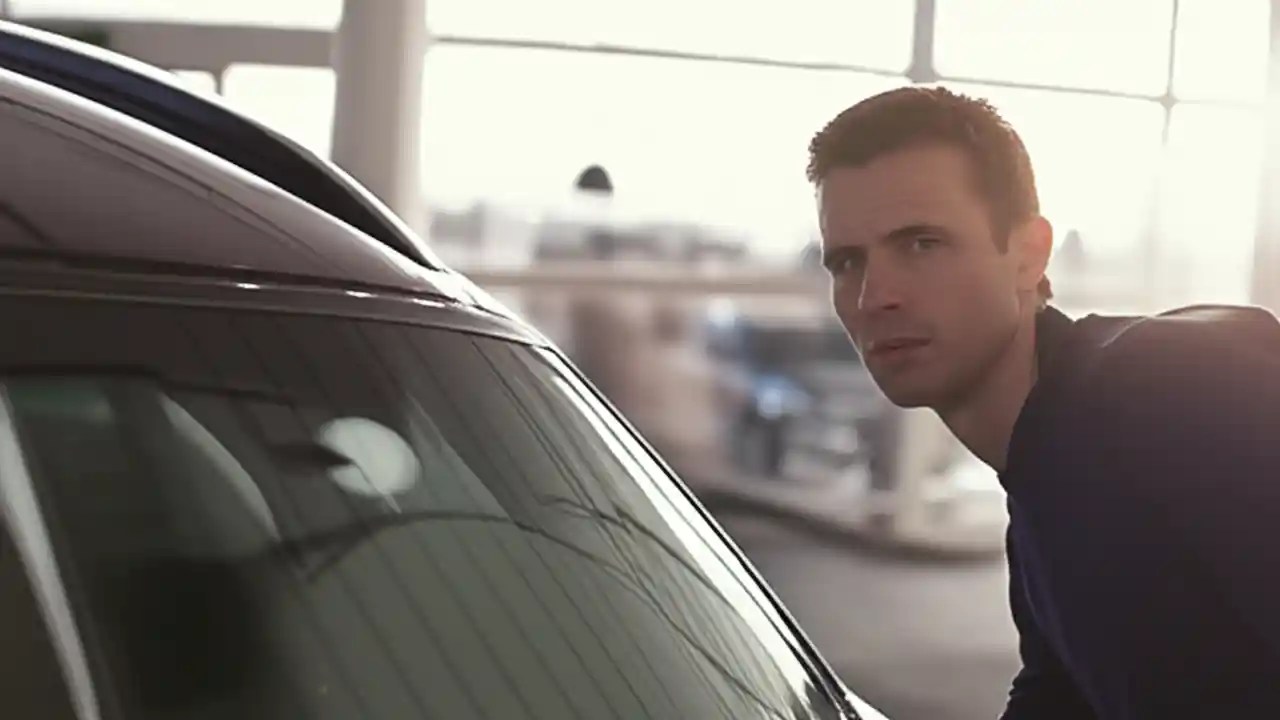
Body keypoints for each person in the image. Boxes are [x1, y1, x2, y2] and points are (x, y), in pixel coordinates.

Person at [806, 85, 1280, 719]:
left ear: (1029, 254)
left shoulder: (1154, 387)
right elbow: (1057, 698)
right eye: (846, 262)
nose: (872, 298)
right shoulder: (1041, 491)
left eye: (922, 244)